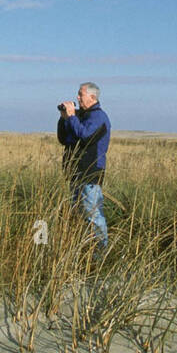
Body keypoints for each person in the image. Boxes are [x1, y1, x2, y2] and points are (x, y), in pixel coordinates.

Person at [57, 82, 111, 251]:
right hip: (75, 174)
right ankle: (84, 251)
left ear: (93, 97)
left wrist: (72, 117)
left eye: (81, 95)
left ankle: (100, 255)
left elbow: (85, 136)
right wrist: (64, 118)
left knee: (93, 216)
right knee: (78, 214)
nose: (77, 98)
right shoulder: (82, 116)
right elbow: (64, 139)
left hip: (90, 174)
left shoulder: (99, 118)